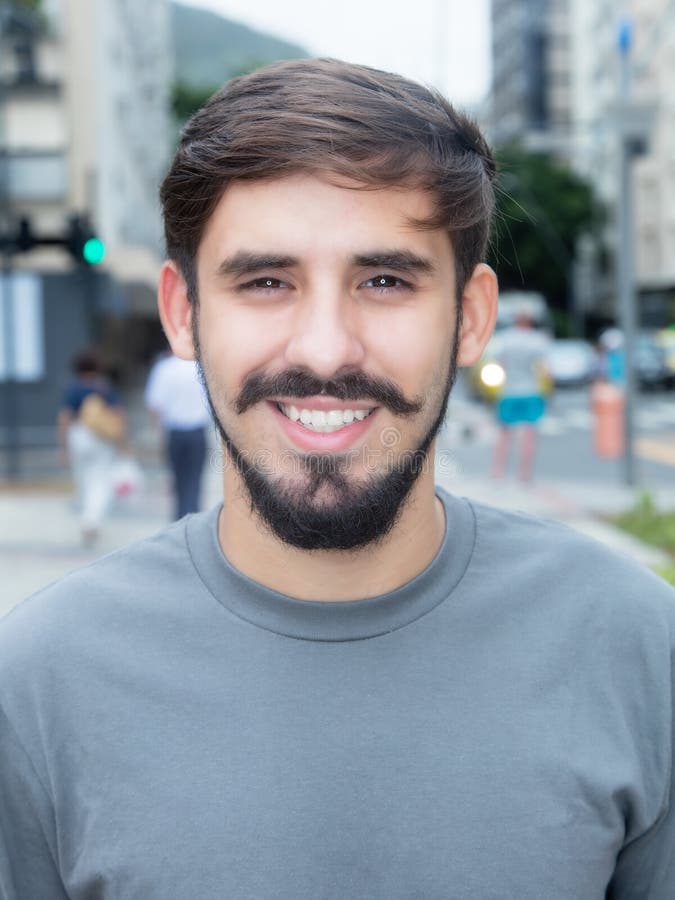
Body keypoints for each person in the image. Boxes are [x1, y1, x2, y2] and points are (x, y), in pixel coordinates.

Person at [1, 59, 674, 899]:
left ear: (468, 317)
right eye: (265, 281)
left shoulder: (641, 652)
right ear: (183, 313)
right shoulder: (35, 684)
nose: (324, 349)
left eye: (384, 280)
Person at [56, 347, 125, 544]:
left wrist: (62, 447)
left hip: (78, 435)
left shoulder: (73, 388)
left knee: (83, 478)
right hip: (101, 438)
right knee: (100, 479)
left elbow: (64, 417)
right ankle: (91, 520)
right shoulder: (104, 387)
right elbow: (118, 414)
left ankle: (87, 516)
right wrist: (122, 441)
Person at [145, 350, 211, 519]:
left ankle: (179, 521)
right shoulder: (202, 367)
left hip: (175, 432)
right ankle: (192, 519)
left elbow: (154, 405)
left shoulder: (164, 368)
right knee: (194, 481)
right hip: (198, 432)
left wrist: (158, 431)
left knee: (177, 481)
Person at [491, 311, 551, 481]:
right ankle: (524, 474)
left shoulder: (506, 339)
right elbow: (544, 369)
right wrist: (547, 390)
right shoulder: (537, 340)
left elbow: (498, 363)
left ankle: (498, 471)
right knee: (529, 434)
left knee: (504, 432)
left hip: (509, 391)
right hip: (531, 391)